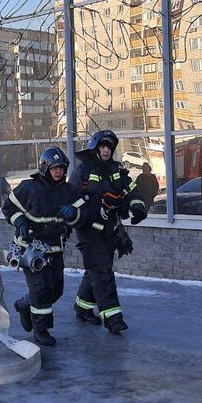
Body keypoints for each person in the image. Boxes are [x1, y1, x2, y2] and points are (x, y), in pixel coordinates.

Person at [2, 147, 84, 346]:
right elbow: (8, 207)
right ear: (45, 168)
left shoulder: (70, 192)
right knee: (41, 289)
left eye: (61, 168)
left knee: (56, 289)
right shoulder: (29, 187)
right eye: (55, 168)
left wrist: (73, 214)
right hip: (30, 248)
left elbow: (83, 215)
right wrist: (20, 222)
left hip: (55, 248)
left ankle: (25, 304)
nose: (58, 172)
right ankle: (41, 330)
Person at [70, 130, 148, 335]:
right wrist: (85, 214)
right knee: (102, 272)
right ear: (95, 148)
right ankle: (113, 318)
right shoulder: (83, 171)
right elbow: (70, 199)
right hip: (88, 231)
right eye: (103, 147)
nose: (106, 150)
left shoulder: (116, 170)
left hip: (110, 230)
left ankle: (83, 307)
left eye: (109, 147)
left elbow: (132, 190)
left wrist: (138, 207)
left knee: (96, 269)